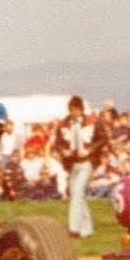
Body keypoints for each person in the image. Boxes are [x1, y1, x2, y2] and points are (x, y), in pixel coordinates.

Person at [51, 96, 106, 238]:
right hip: (72, 163)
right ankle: (87, 230)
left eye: (76, 110)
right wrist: (63, 151)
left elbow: (102, 138)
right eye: (71, 110)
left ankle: (73, 228)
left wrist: (90, 150)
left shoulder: (94, 122)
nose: (74, 113)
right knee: (78, 194)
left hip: (87, 161)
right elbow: (57, 142)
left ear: (81, 109)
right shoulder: (63, 124)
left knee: (77, 192)